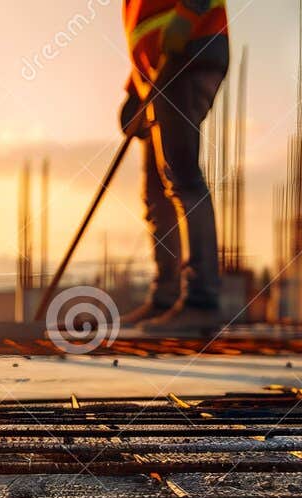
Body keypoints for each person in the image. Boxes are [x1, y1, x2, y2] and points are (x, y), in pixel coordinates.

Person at [121, 0, 230, 332]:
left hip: (190, 54)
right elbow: (146, 30)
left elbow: (167, 25)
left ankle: (201, 300)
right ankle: (165, 299)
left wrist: (186, 17)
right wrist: (133, 90)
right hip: (156, 75)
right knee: (155, 192)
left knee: (181, 177)